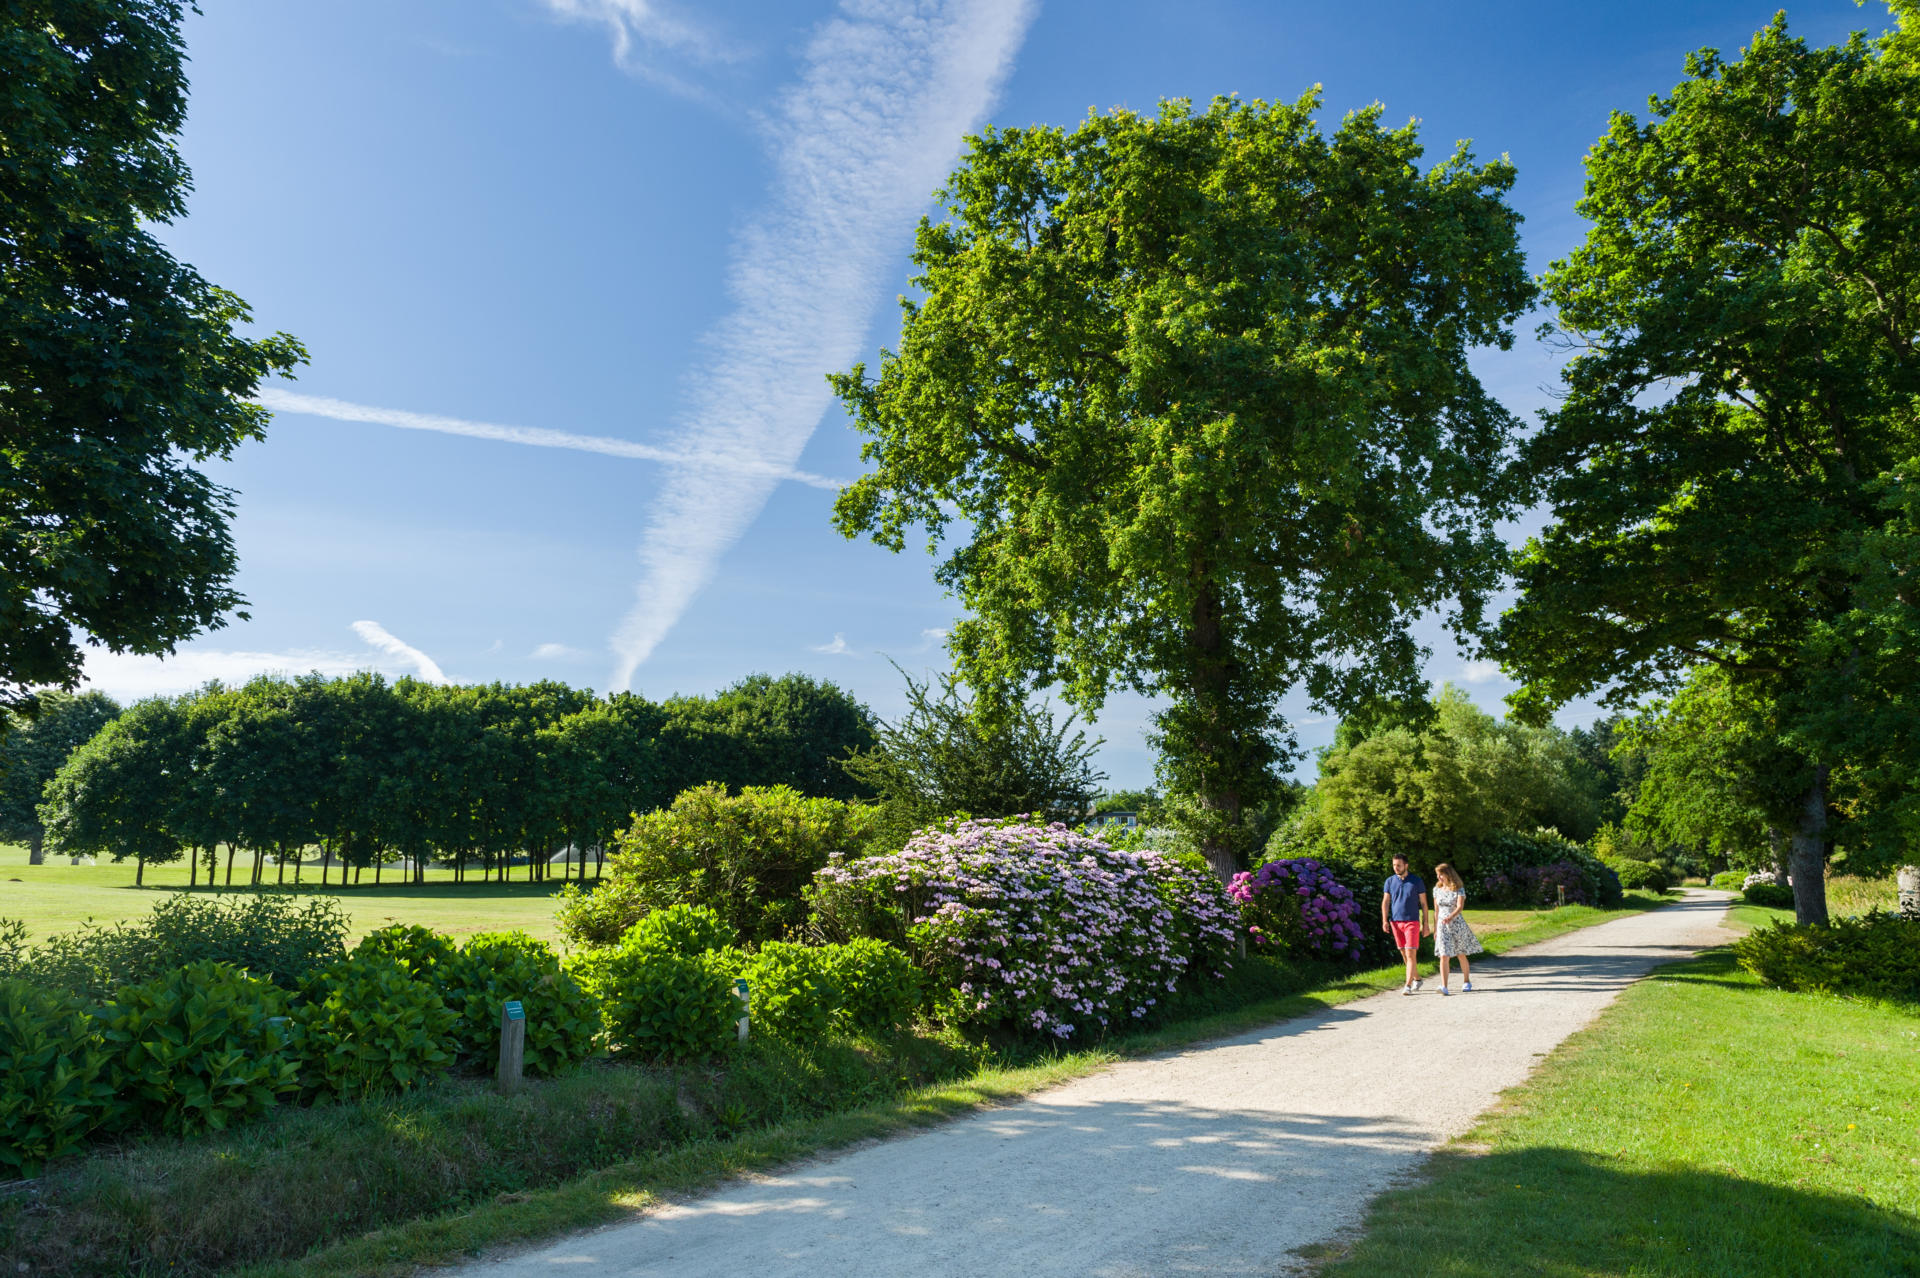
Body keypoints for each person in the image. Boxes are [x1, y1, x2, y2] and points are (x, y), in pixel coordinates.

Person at [1380, 853, 1430, 994]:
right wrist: (1384, 920)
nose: (1396, 868)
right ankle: (1417, 979)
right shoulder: (1389, 881)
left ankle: (1407, 985)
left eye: (1399, 865)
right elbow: (1385, 902)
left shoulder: (1416, 881)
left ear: (1406, 865)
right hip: (1395, 922)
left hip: (1412, 922)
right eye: (1394, 865)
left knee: (1410, 953)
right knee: (1403, 953)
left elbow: (1424, 904)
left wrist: (1425, 924)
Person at [1431, 862, 1483, 995]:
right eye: (1437, 875)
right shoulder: (1436, 890)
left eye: (1441, 875)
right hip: (1442, 926)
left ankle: (1466, 981)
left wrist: (1451, 916)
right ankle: (1444, 986)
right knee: (1444, 955)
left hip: (1457, 924)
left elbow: (1460, 907)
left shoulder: (1458, 888)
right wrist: (1436, 928)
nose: (1439, 878)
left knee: (1461, 954)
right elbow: (1436, 911)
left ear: (1448, 874)